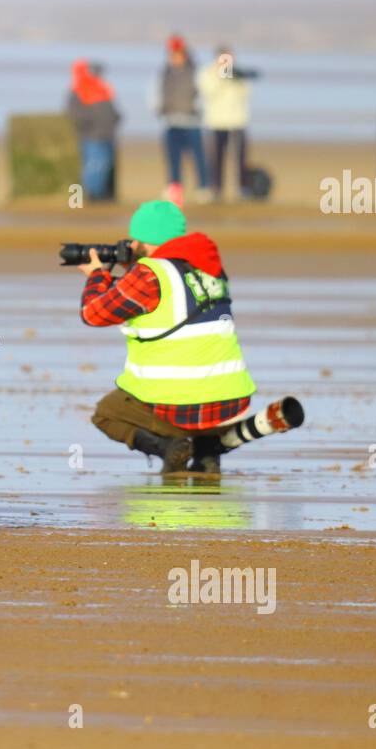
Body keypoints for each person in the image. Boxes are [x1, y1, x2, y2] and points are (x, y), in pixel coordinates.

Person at [78, 199, 255, 475]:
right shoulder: (212, 270)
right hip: (231, 406)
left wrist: (97, 276)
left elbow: (93, 314)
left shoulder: (150, 274)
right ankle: (207, 453)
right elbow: (168, 297)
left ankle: (169, 449)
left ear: (142, 241)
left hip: (179, 409)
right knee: (202, 400)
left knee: (105, 414)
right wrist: (131, 271)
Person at [197, 45, 259, 200]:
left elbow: (246, 94)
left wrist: (237, 78)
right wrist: (221, 76)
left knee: (240, 158)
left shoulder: (238, 74)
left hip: (237, 121)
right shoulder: (208, 73)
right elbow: (208, 92)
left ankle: (242, 188)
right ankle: (216, 189)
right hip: (217, 122)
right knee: (216, 158)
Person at [156, 35, 208, 204]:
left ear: (184, 54)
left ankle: (203, 188)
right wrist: (159, 109)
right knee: (173, 160)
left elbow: (205, 93)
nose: (174, 58)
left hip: (191, 123)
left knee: (198, 158)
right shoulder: (164, 73)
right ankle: (175, 189)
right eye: (172, 54)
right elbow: (156, 93)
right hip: (171, 122)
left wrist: (200, 110)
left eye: (177, 54)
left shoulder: (196, 72)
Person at [66, 60, 121, 203]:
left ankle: (101, 194)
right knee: (94, 165)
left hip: (107, 134)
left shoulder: (103, 89)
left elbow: (111, 110)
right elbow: (75, 114)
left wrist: (116, 118)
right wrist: (89, 124)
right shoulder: (78, 90)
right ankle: (91, 195)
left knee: (105, 165)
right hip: (91, 135)